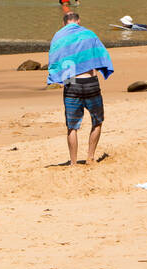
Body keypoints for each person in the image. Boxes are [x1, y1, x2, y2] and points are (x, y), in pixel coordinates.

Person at [46, 11, 113, 165]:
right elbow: (101, 53)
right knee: (97, 120)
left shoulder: (59, 36)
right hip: (90, 80)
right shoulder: (88, 34)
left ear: (64, 23)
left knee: (72, 126)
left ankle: (74, 162)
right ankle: (90, 157)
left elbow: (55, 58)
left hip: (71, 81)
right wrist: (104, 69)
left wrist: (56, 76)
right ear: (79, 21)